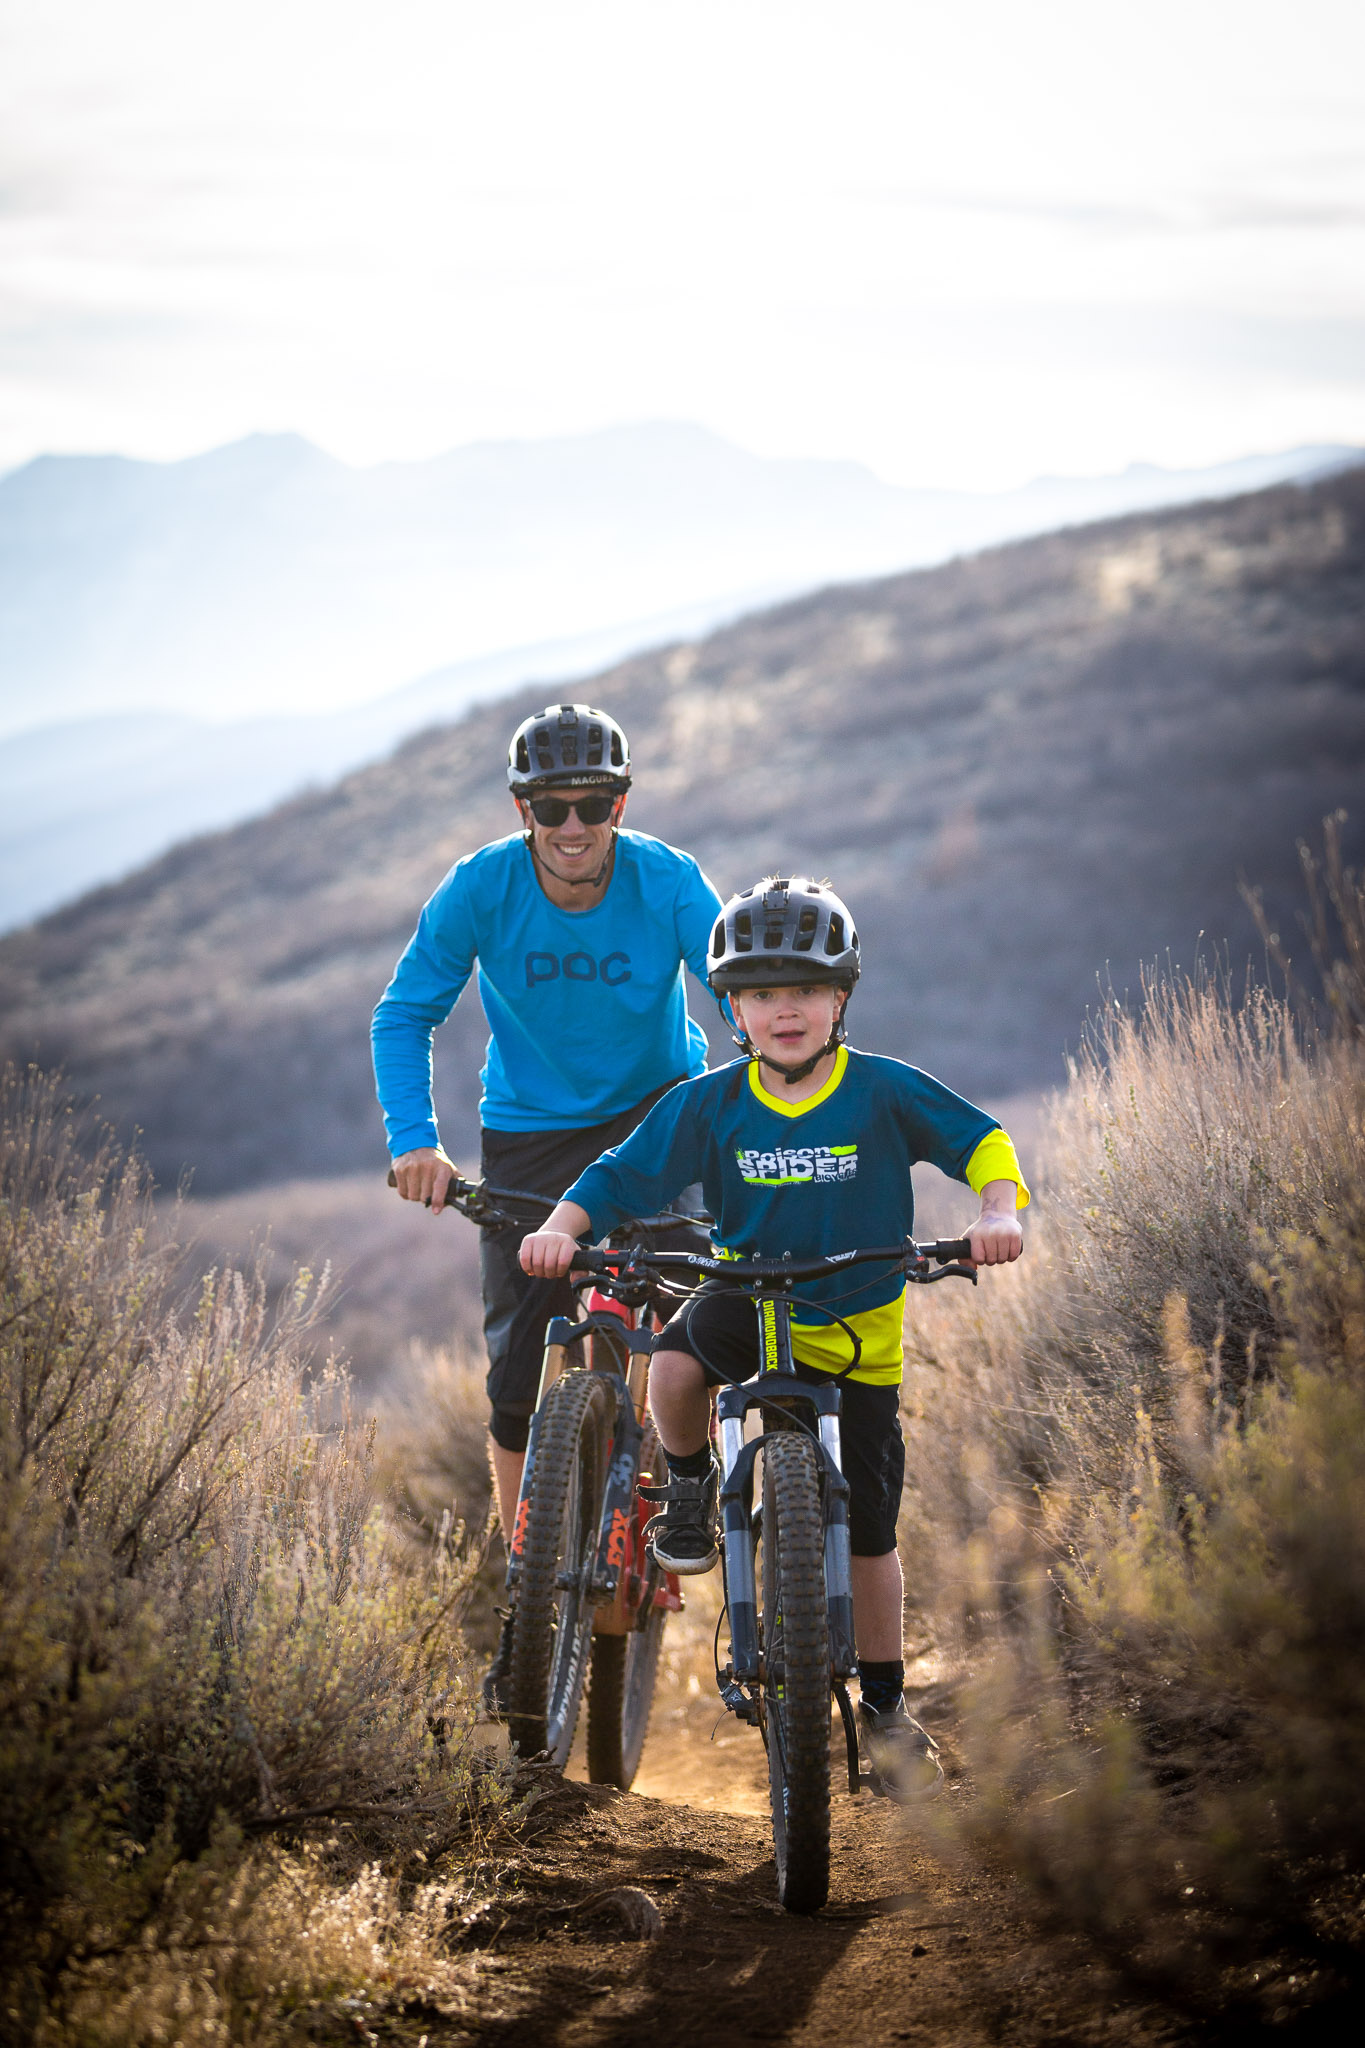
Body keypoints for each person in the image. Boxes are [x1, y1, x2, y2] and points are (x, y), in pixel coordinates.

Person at [518, 874, 1027, 1799]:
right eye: (759, 994)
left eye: (804, 990)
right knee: (671, 1367)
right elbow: (620, 1174)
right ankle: (684, 1489)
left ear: (841, 999)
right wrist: (563, 1227)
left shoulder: (881, 1090)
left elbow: (982, 1141)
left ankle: (883, 1706)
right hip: (746, 1300)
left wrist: (997, 1209)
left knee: (870, 1534)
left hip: (853, 1331)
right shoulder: (712, 1103)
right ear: (731, 1009)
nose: (783, 1010)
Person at [372, 702, 723, 1707]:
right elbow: (406, 1010)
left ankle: (681, 1485)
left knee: (693, 1317)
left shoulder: (667, 879)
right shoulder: (482, 886)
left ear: (622, 799)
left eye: (594, 803)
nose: (573, 826)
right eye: (550, 806)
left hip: (660, 1115)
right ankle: (533, 1603)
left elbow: (734, 991)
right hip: (529, 1132)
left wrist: (760, 1088)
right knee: (517, 1373)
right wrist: (414, 1140)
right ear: (521, 806)